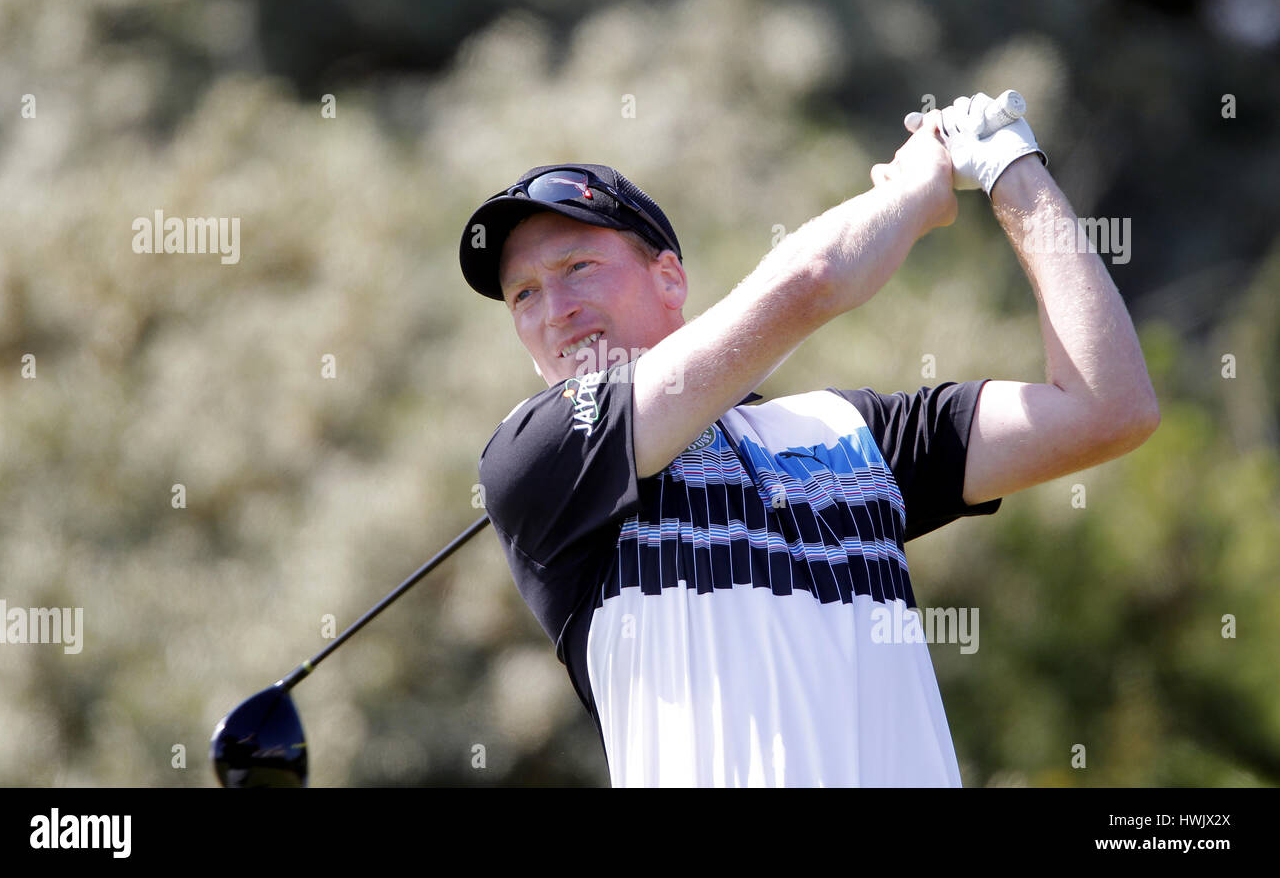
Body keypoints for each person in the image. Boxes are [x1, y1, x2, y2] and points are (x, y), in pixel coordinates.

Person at [458, 96, 1160, 787]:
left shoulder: (851, 436)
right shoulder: (534, 456)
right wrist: (921, 194)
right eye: (523, 294)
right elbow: (812, 281)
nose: (555, 311)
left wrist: (1012, 167)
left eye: (577, 267)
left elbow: (1107, 409)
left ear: (668, 275)